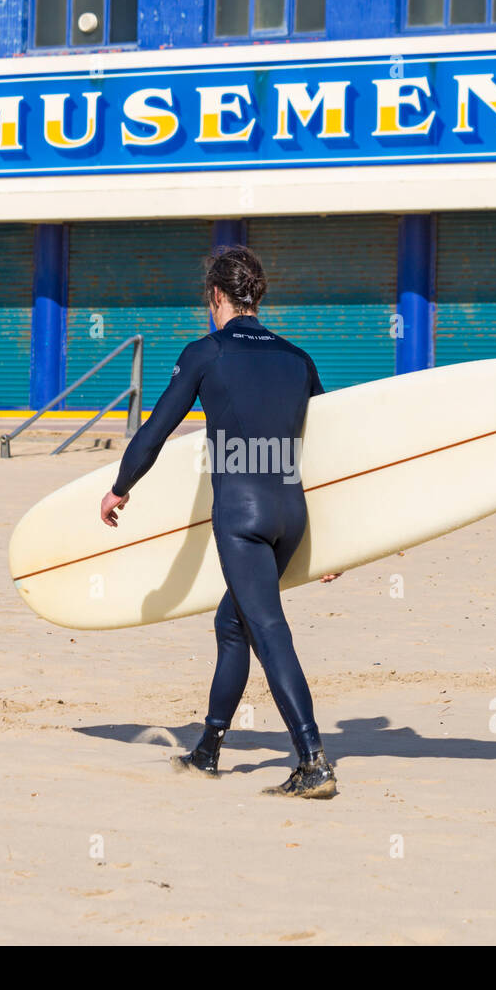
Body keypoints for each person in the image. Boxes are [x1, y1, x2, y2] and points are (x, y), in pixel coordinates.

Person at [98, 245, 341, 799]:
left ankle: (313, 761)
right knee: (233, 624)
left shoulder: (206, 353)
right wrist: (334, 543)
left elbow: (155, 431)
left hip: (242, 518)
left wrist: (120, 488)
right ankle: (208, 748)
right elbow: (330, 446)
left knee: (268, 628)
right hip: (291, 514)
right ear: (257, 295)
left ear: (216, 296)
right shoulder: (297, 358)